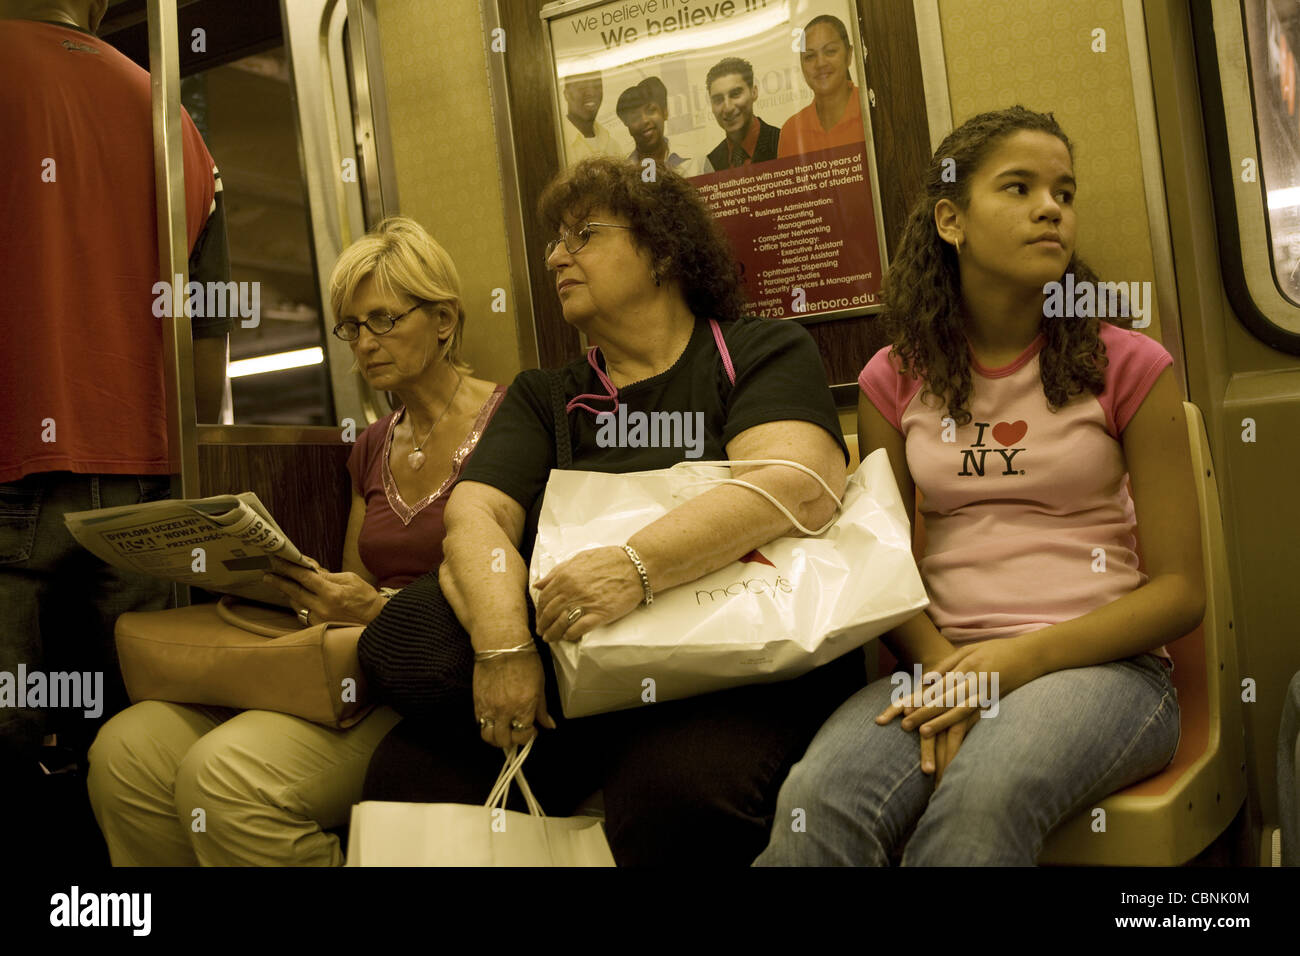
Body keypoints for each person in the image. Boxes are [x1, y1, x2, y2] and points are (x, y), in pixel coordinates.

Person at [361, 157, 864, 866]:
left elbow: (794, 481)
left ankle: (631, 730)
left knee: (676, 796)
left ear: (661, 248)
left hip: (734, 660)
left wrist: (635, 568)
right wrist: (504, 645)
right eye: (555, 241)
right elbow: (476, 517)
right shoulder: (547, 395)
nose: (557, 257)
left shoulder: (757, 351)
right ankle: (599, 709)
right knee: (399, 699)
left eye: (583, 235)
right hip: (585, 657)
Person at [756, 107, 1203, 866]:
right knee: (814, 804)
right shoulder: (892, 378)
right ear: (951, 220)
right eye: (1020, 188)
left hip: (1105, 671)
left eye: (1064, 192)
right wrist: (952, 673)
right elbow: (880, 563)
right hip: (946, 660)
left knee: (979, 804)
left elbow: (1181, 593)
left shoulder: (1130, 363)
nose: (1050, 209)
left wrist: (1015, 664)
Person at [86, 218, 505, 866]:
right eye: (351, 327)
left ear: (444, 320)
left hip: (430, 677)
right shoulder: (372, 444)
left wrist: (375, 612)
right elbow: (352, 586)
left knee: (223, 775)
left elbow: (511, 585)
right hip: (351, 664)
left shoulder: (509, 421)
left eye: (384, 320)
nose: (365, 343)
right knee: (126, 748)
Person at [0, 0, 229, 853]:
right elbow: (205, 350)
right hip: (145, 485)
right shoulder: (171, 118)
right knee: (130, 749)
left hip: (10, 462)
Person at [777, 14, 866, 158]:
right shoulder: (792, 131)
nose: (820, 63)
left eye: (830, 51)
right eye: (810, 56)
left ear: (849, 55)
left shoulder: (871, 112)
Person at [700, 57, 781, 173]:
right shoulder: (710, 163)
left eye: (735, 94)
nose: (728, 108)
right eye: (718, 99)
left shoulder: (782, 142)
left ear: (754, 92)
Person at [615, 77, 700, 178]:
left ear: (665, 113)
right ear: (627, 125)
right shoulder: (623, 174)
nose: (644, 120)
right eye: (635, 117)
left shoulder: (694, 162)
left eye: (651, 111)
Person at [561, 70, 621, 164]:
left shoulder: (612, 146)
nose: (591, 93)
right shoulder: (558, 146)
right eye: (582, 87)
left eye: (597, 86)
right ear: (567, 95)